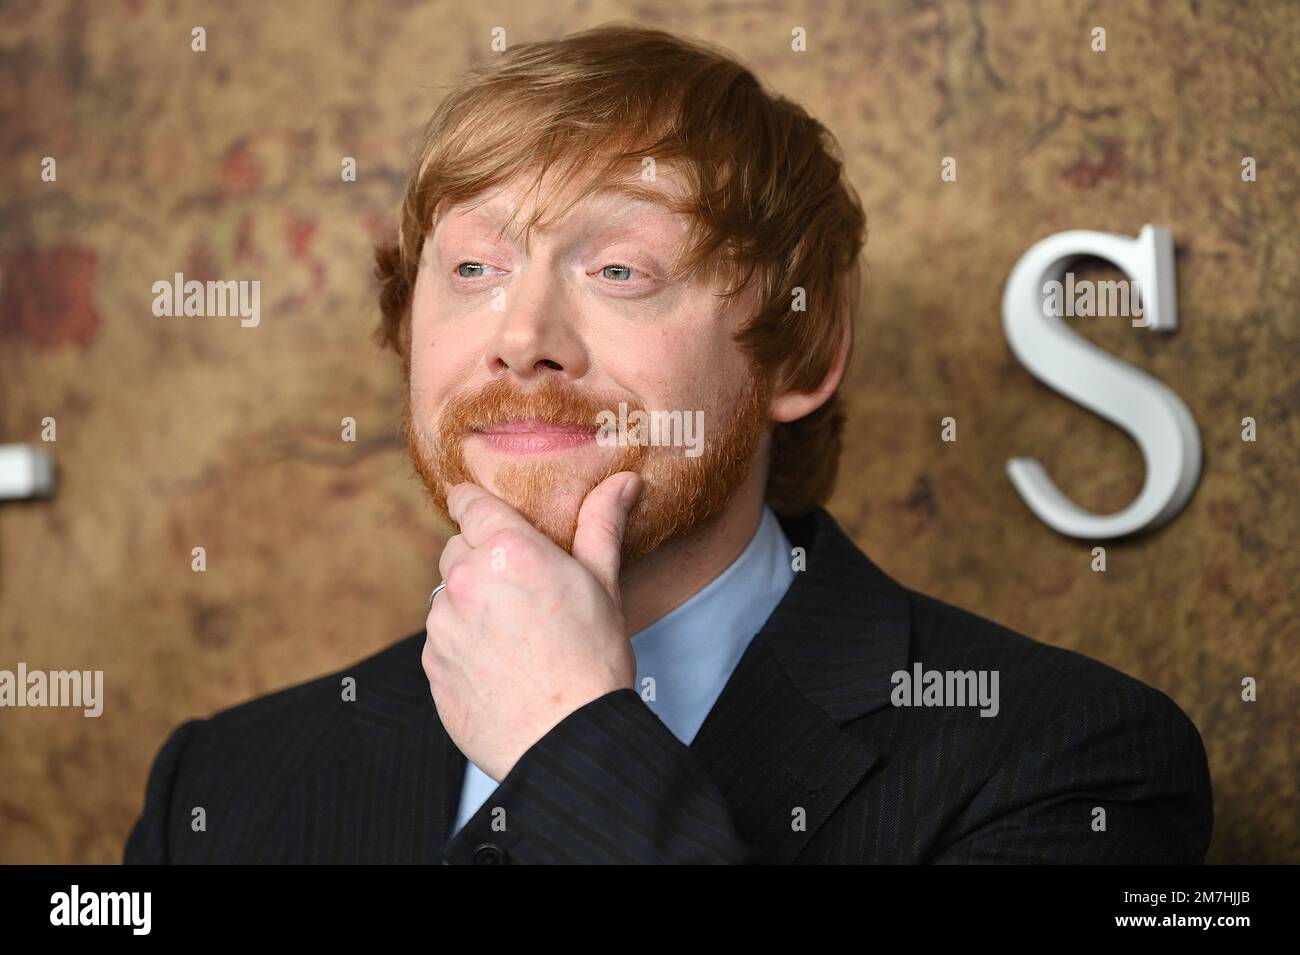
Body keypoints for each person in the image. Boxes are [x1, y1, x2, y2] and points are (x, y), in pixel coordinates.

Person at [124, 23, 1212, 864]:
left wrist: (572, 747)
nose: (522, 342)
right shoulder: (223, 784)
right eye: (472, 270)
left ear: (800, 352)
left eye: (619, 271)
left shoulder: (1067, 764)